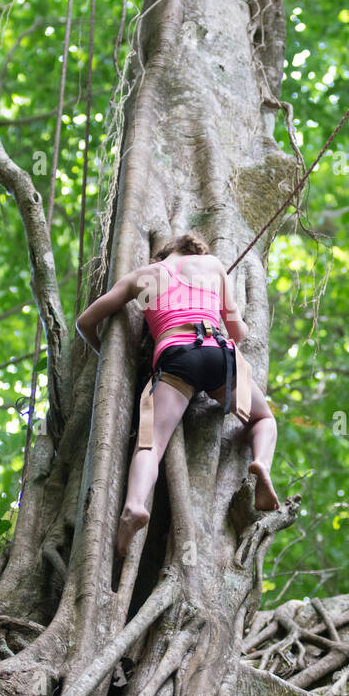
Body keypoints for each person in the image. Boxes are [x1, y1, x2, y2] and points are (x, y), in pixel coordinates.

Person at [76, 232, 279, 556]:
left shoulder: (143, 276)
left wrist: (108, 357)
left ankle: (135, 506)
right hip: (219, 354)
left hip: (175, 355)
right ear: (196, 250)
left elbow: (85, 322)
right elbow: (238, 332)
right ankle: (261, 464)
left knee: (151, 443)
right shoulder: (212, 266)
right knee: (263, 417)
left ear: (164, 253)